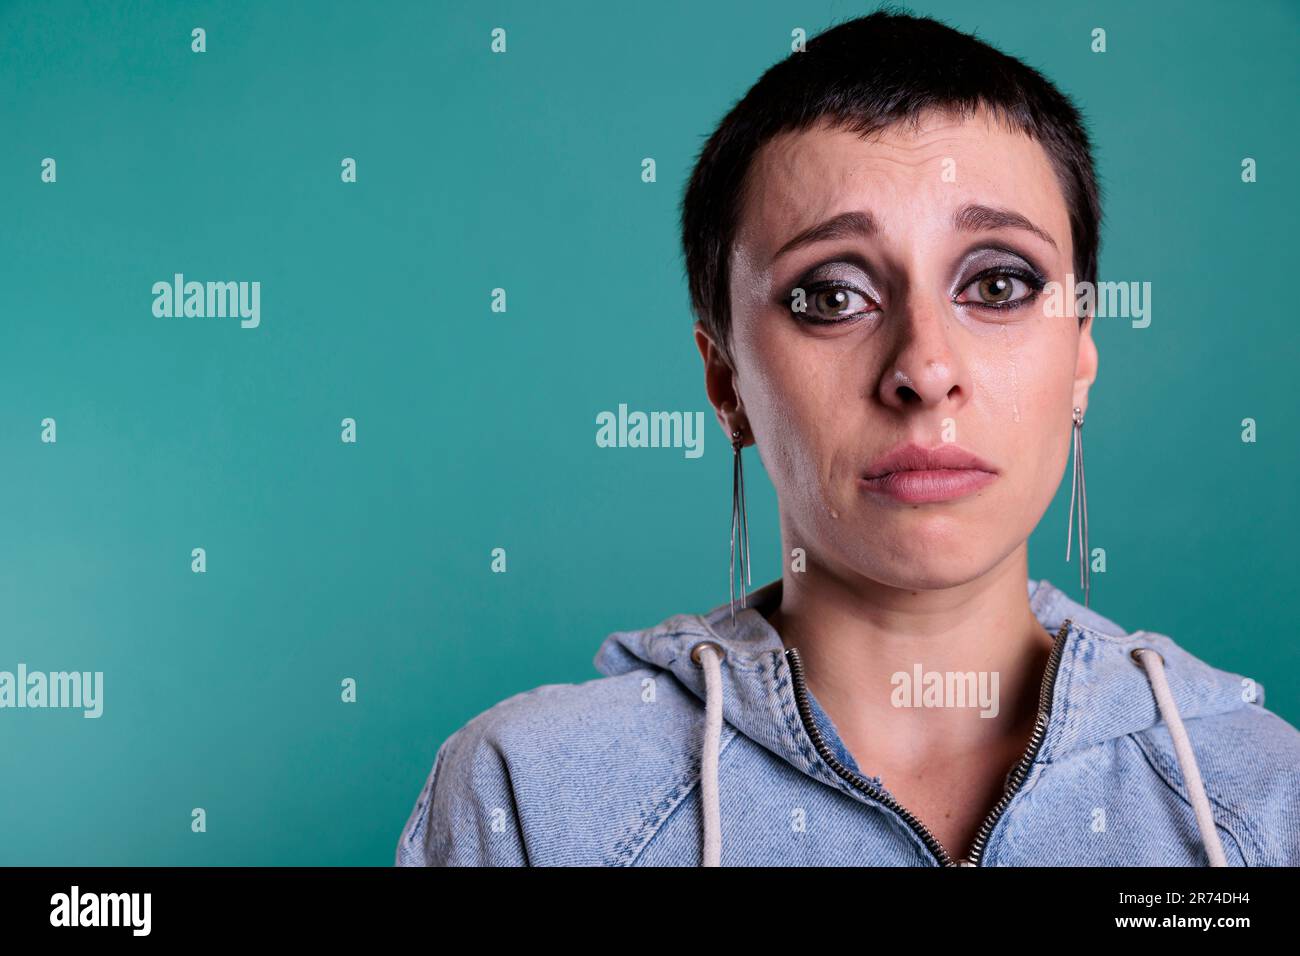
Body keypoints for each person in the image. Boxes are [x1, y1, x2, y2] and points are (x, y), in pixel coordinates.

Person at [395, 10, 1300, 866]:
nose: (925, 368)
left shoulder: (1269, 800)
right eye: (831, 294)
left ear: (1080, 357)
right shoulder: (530, 804)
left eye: (997, 285)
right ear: (727, 383)